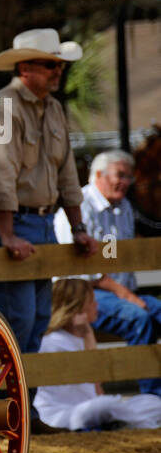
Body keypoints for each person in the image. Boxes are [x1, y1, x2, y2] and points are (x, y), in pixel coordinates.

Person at [0, 28, 98, 359]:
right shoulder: (2, 107)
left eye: (58, 65)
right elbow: (0, 176)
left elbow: (68, 174)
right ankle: (12, 407)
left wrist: (79, 228)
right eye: (49, 65)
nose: (58, 71)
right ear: (24, 68)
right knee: (21, 321)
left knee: (40, 319)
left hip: (40, 222)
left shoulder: (54, 109)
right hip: (11, 221)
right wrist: (7, 235)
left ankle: (23, 407)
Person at [53, 150, 161, 396]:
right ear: (99, 175)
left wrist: (126, 293)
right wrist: (127, 295)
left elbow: (111, 256)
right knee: (139, 318)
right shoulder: (80, 206)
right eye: (120, 175)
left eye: (128, 177)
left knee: (156, 311)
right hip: (79, 296)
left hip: (114, 293)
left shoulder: (121, 208)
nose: (125, 182)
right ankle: (152, 397)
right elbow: (84, 270)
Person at [34, 279, 161, 430]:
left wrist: (88, 334)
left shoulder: (82, 336)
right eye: (91, 301)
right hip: (65, 413)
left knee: (153, 402)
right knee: (104, 405)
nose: (97, 305)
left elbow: (96, 387)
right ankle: (129, 424)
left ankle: (121, 422)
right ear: (76, 307)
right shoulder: (51, 342)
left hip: (92, 406)